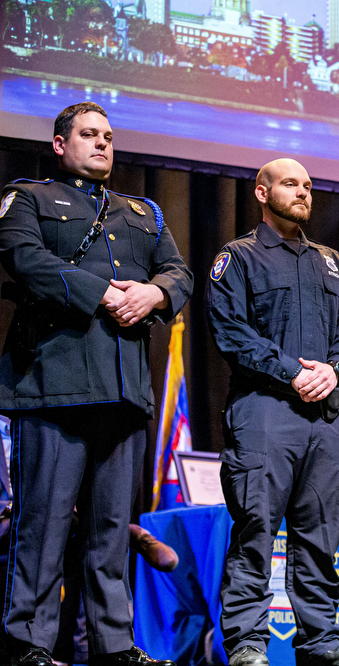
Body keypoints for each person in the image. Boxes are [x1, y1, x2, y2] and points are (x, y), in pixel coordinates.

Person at [0, 101, 192, 666]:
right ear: (60, 144)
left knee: (110, 528)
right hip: (54, 383)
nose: (103, 144)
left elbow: (177, 271)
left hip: (125, 389)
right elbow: (24, 258)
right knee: (44, 521)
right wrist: (103, 294)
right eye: (89, 134)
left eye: (108, 136)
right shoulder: (28, 197)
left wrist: (154, 294)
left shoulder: (144, 210)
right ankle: (26, 643)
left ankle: (112, 645)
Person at [206, 158, 339, 666]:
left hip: (324, 419)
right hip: (265, 412)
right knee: (256, 529)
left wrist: (334, 370)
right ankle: (248, 644)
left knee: (321, 537)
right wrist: (293, 372)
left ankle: (320, 644)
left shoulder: (331, 262)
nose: (303, 192)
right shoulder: (238, 258)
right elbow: (231, 331)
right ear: (261, 192)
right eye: (290, 184)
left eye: (307, 185)